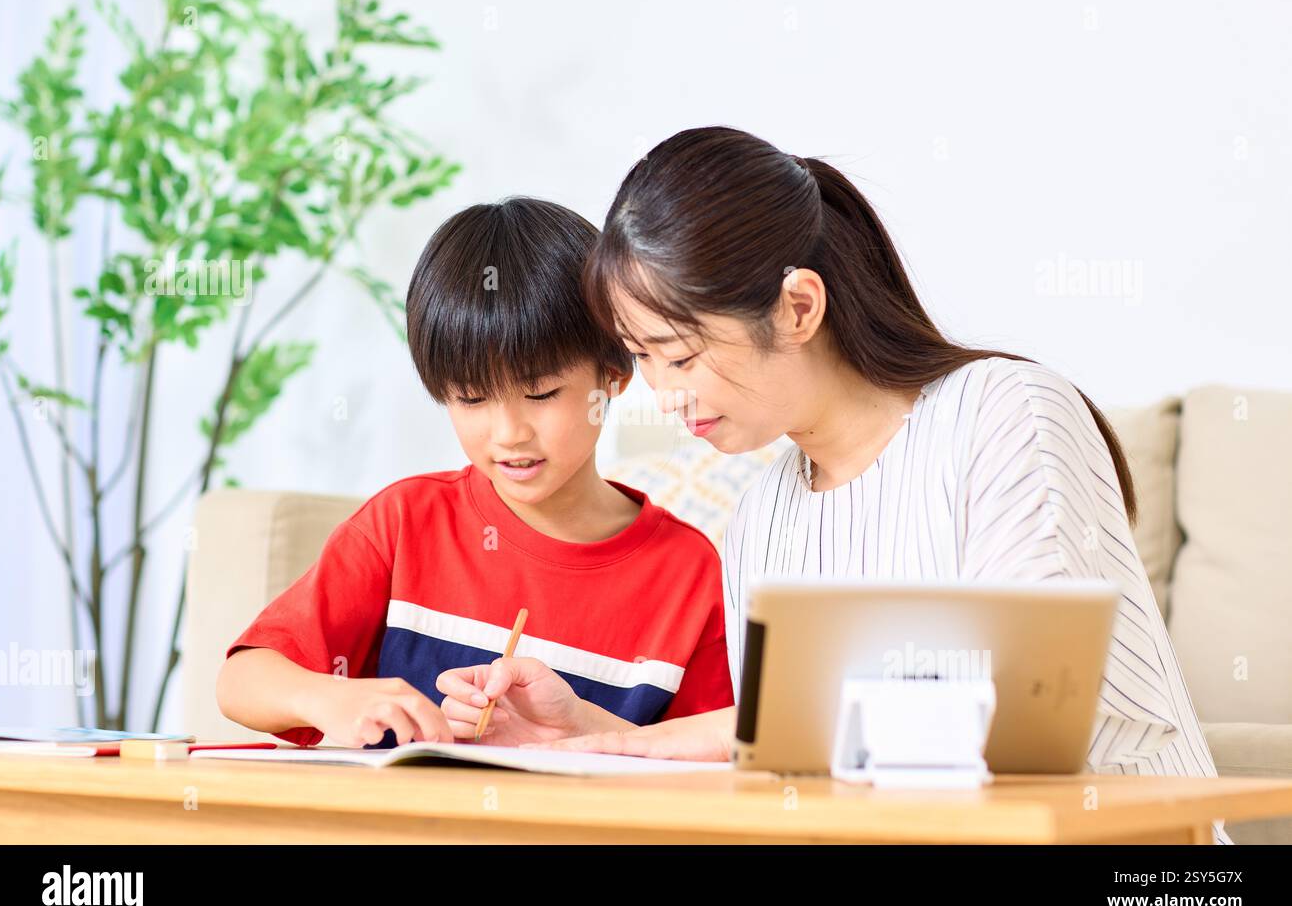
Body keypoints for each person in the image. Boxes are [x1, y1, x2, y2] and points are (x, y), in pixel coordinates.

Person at [436, 129, 1231, 844]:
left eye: (679, 355)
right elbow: (784, 765)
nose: (663, 393)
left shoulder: (1004, 414)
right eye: (641, 357)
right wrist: (583, 740)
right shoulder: (765, 514)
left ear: (798, 307)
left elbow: (1021, 728)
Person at [216, 197, 734, 750]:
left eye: (541, 393)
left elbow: (711, 767)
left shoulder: (689, 577)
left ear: (612, 374)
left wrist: (588, 731)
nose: (508, 432)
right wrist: (329, 698)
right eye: (472, 398)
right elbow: (240, 682)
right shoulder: (405, 524)